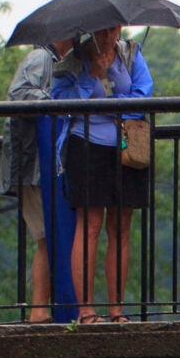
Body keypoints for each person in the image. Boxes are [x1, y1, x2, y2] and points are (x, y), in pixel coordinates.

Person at [51, 25, 153, 322]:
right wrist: (91, 76)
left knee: (121, 226)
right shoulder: (73, 61)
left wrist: (107, 107)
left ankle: (117, 310)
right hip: (86, 145)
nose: (108, 37)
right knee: (90, 225)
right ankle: (86, 310)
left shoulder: (131, 54)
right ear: (91, 31)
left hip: (125, 147)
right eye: (102, 32)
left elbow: (143, 95)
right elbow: (61, 101)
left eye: (113, 30)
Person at [7, 37, 76, 320]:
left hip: (42, 164)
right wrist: (53, 102)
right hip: (34, 164)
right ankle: (38, 310)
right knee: (46, 237)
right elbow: (19, 94)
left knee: (49, 237)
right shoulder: (41, 59)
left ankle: (45, 308)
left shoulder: (55, 62)